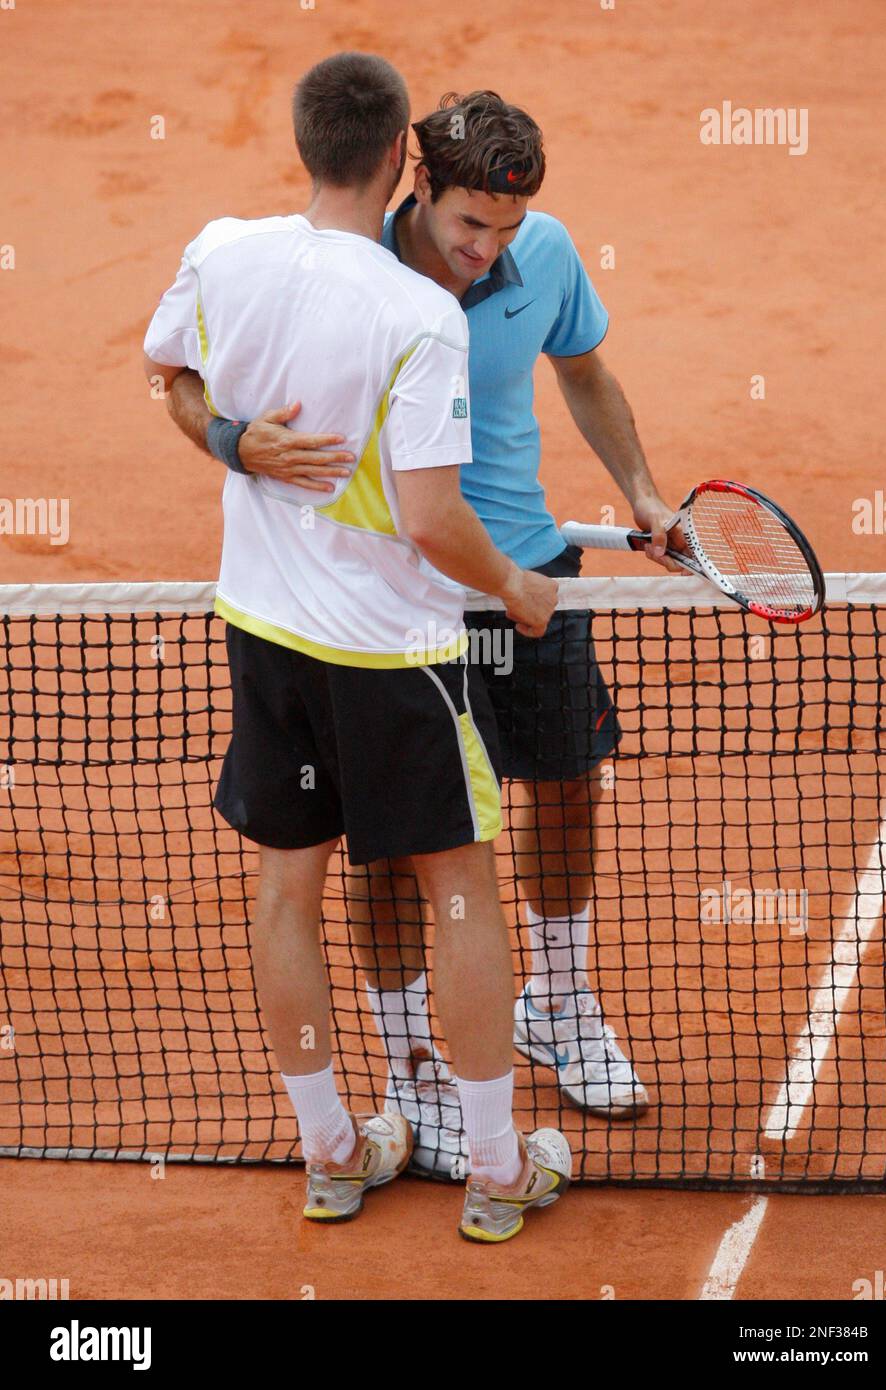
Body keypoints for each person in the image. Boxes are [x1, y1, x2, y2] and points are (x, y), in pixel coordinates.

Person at [166, 87, 679, 1175]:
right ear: (418, 184)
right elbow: (199, 381)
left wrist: (640, 489)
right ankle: (415, 1071)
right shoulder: (369, 285)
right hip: (407, 607)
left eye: (505, 230)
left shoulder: (541, 255)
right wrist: (234, 440)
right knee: (400, 851)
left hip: (526, 576)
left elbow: (582, 368)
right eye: (468, 227)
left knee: (568, 784)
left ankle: (562, 999)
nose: (489, 252)